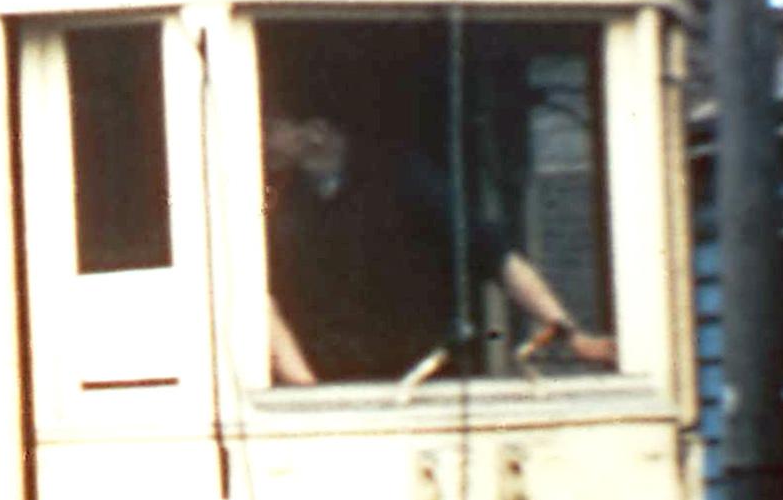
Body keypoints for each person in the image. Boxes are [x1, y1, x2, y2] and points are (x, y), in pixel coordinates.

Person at [264, 109, 616, 387]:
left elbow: (493, 253)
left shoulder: (404, 179)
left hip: (418, 380)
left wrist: (570, 334)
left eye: (271, 126)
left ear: (316, 130)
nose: (260, 139)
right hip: (324, 387)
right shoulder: (282, 200)